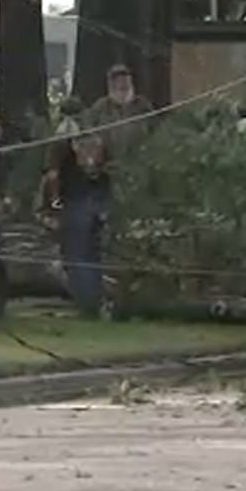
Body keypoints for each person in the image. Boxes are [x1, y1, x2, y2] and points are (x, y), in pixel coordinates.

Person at [40, 121, 111, 317]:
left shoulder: (61, 151)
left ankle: (88, 306)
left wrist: (53, 207)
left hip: (75, 206)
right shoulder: (100, 145)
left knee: (76, 257)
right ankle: (95, 303)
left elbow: (52, 179)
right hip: (97, 206)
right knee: (92, 256)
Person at [83, 63, 154, 158]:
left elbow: (156, 129)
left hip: (140, 162)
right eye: (116, 80)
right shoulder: (101, 106)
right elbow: (88, 130)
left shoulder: (143, 105)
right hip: (108, 164)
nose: (121, 83)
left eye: (125, 78)